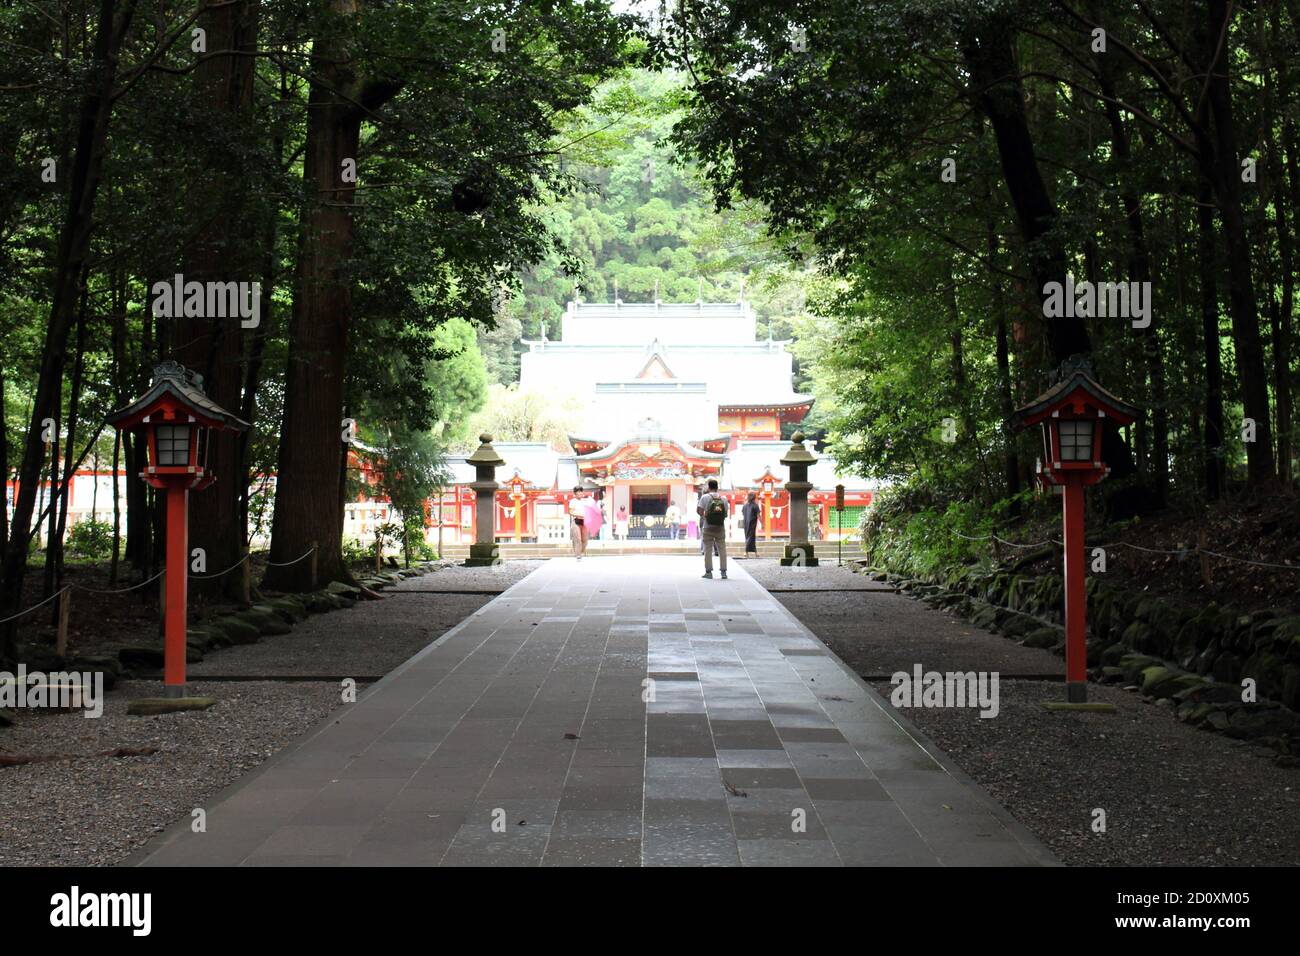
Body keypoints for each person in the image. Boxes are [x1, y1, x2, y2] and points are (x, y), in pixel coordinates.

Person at [697, 478, 729, 579]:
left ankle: (708, 572)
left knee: (707, 549)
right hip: (720, 527)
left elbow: (699, 511)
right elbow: (726, 514)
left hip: (707, 527)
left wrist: (706, 515)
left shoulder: (704, 497)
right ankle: (723, 572)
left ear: (709, 487)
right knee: (722, 549)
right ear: (717, 487)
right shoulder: (723, 498)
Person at [568, 486, 587, 559]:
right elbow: (570, 511)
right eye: (577, 492)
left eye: (580, 492)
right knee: (578, 538)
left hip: (585, 521)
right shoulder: (573, 501)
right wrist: (578, 515)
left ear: (582, 493)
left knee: (584, 539)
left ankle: (582, 552)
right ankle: (578, 554)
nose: (579, 493)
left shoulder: (585, 501)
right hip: (576, 521)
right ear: (575, 494)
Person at [742, 491, 760, 558]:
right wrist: (762, 523)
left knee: (748, 537)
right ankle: (745, 552)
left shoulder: (745, 505)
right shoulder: (755, 505)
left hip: (745, 523)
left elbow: (743, 513)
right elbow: (758, 515)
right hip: (752, 523)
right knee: (750, 538)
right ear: (754, 497)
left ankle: (753, 553)